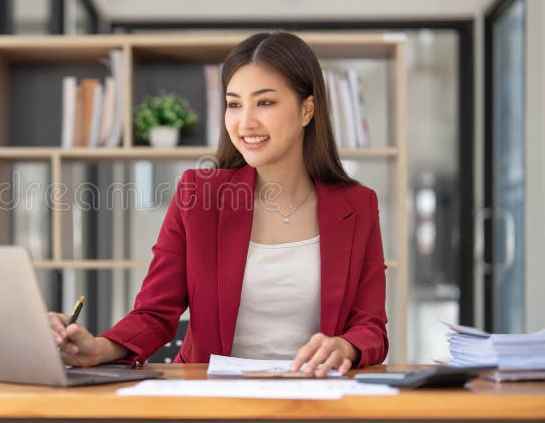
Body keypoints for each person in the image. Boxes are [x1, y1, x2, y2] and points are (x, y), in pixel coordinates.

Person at [48, 31, 388, 377]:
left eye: (265, 102)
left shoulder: (358, 206)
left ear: (307, 110)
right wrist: (98, 348)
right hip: (213, 399)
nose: (245, 122)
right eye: (234, 103)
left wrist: (346, 346)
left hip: (314, 396)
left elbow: (370, 326)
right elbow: (154, 313)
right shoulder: (198, 197)